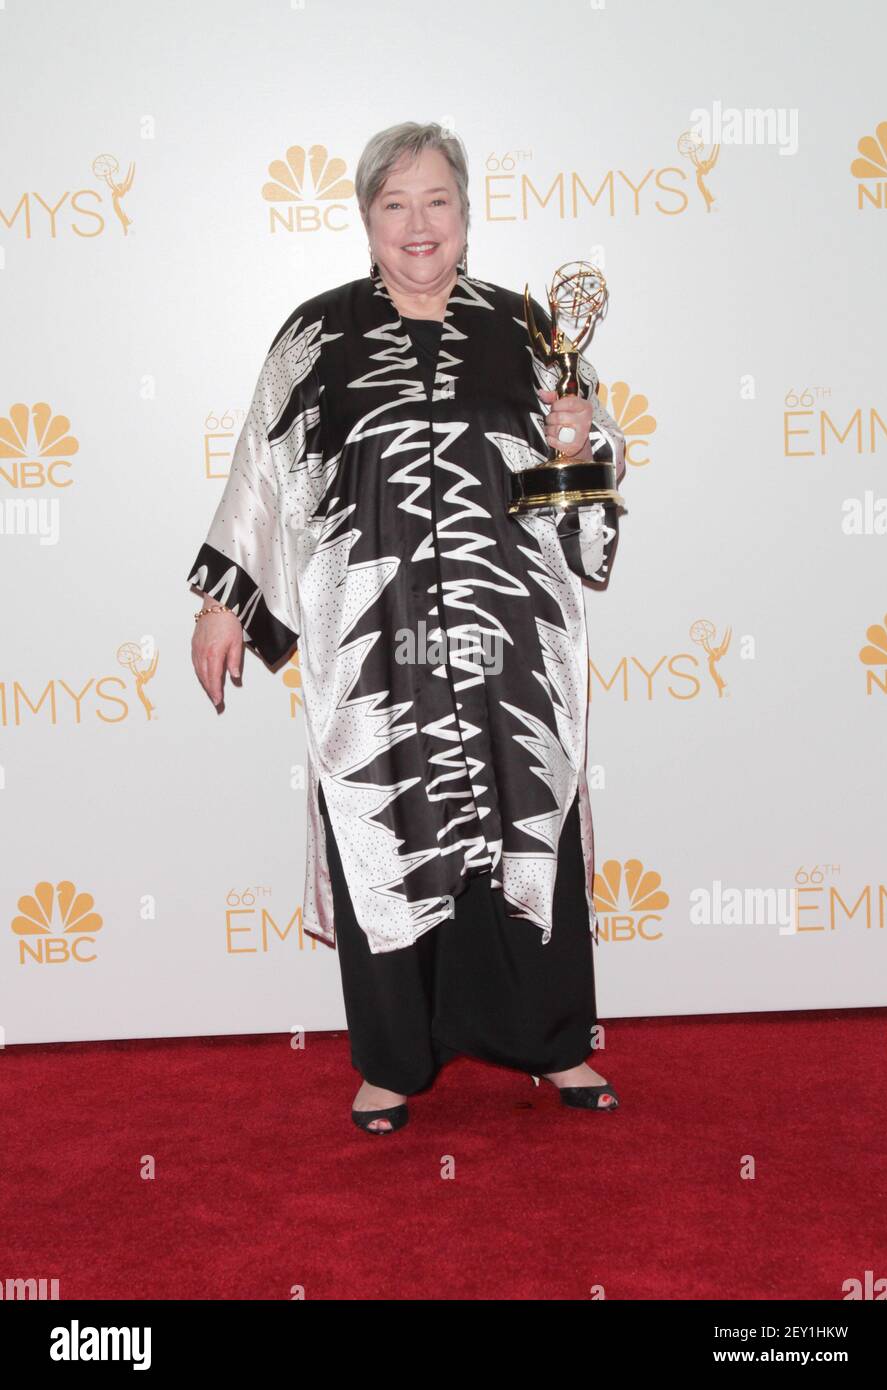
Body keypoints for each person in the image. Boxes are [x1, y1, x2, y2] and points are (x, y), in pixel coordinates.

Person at [188, 121, 627, 1134]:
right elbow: (261, 473)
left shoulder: (528, 334)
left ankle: (554, 1045)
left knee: (525, 826)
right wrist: (224, 598)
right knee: (386, 825)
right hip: (374, 647)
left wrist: (579, 440)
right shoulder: (314, 340)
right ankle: (392, 1059)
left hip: (511, 647)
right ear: (366, 219)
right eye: (395, 205)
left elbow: (587, 500)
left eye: (436, 202)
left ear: (466, 217)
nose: (417, 225)